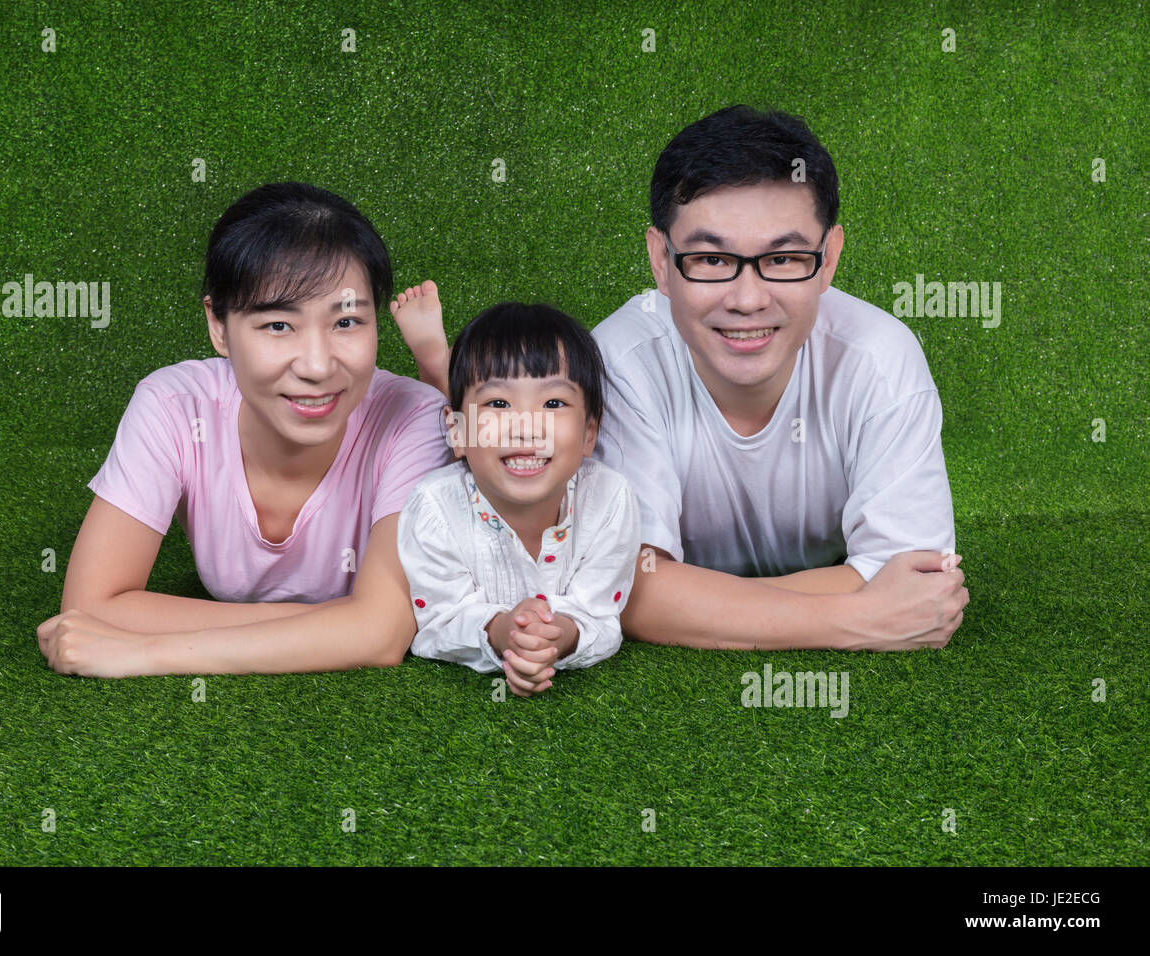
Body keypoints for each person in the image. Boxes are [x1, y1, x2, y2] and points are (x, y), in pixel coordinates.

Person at [591, 105, 970, 651]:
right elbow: (628, 589)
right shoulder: (621, 361)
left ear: (830, 257)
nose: (747, 300)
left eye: (786, 258)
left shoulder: (880, 358)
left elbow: (917, 582)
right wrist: (860, 620)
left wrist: (694, 603)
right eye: (711, 259)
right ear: (660, 260)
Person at [37, 182, 454, 676]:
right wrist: (342, 623)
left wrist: (145, 651)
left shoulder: (414, 418)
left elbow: (381, 637)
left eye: (346, 323)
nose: (318, 366)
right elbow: (89, 608)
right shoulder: (175, 406)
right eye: (277, 326)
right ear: (218, 326)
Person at [394, 300, 640, 697]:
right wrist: (500, 631)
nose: (526, 428)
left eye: (554, 403)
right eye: (499, 403)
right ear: (457, 432)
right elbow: (437, 620)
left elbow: (601, 614)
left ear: (590, 433)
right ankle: (433, 365)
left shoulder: (611, 500)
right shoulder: (434, 507)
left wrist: (560, 635)